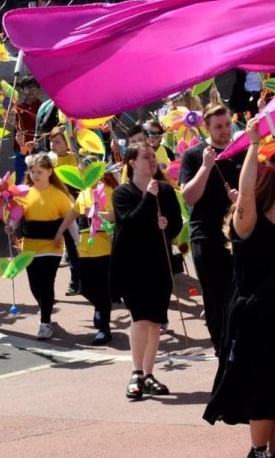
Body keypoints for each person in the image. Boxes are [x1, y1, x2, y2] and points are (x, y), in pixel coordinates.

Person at [205, 116, 275, 458]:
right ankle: (257, 452)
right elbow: (245, 197)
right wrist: (254, 145)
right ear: (272, 190)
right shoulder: (249, 225)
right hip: (258, 323)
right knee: (265, 393)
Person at [111, 141, 182, 400]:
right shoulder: (122, 193)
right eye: (145, 156)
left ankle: (149, 373)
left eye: (153, 155)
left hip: (159, 262)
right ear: (132, 163)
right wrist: (149, 198)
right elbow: (129, 223)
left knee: (155, 321)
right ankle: (136, 372)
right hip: (132, 265)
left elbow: (175, 225)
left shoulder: (165, 189)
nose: (151, 160)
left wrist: (167, 224)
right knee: (139, 317)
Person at [179, 104, 245, 355]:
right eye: (218, 127)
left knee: (239, 294)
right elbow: (189, 197)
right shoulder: (195, 155)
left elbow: (254, 191)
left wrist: (241, 199)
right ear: (207, 127)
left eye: (228, 124)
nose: (225, 131)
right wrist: (207, 166)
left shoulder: (239, 152)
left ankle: (238, 347)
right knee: (215, 297)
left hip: (237, 235)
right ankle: (221, 348)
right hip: (206, 237)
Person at [16, 152, 76, 341]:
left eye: (40, 171)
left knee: (46, 283)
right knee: (35, 285)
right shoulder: (24, 192)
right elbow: (17, 215)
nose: (35, 175)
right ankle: (45, 309)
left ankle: (45, 323)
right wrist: (11, 225)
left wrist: (76, 242)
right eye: (33, 171)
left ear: (50, 172)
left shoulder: (59, 195)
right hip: (30, 246)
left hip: (52, 247)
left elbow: (71, 220)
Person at [73, 164, 118, 346]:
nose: (84, 174)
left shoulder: (108, 191)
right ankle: (100, 308)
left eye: (88, 171)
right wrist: (60, 230)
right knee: (84, 288)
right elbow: (74, 212)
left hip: (103, 246)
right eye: (82, 171)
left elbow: (115, 216)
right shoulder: (83, 192)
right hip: (84, 247)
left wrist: (97, 213)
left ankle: (104, 328)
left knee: (102, 288)